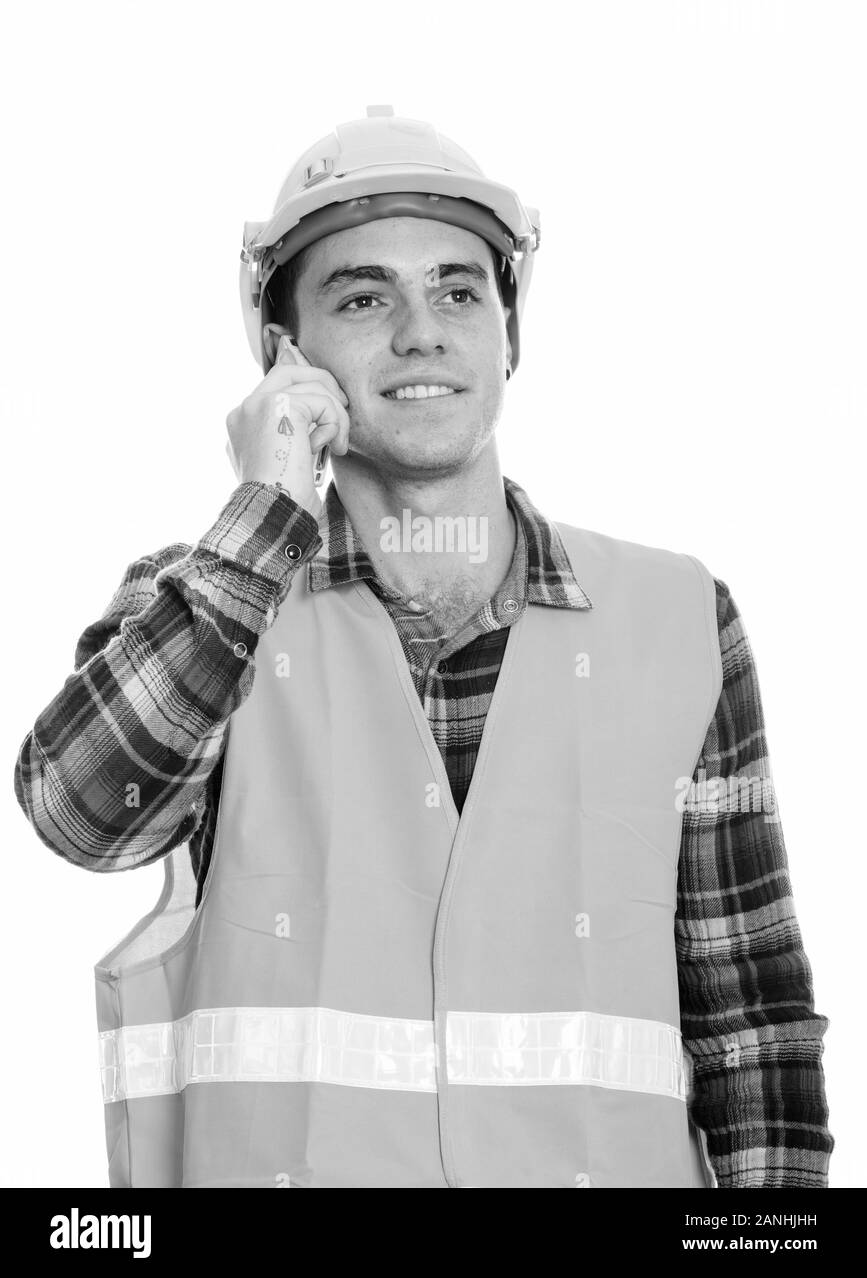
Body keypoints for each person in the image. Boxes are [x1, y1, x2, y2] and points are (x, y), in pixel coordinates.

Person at [14, 105, 833, 1189]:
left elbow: (755, 1037)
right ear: (284, 354)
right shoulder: (208, 604)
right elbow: (80, 812)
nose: (422, 331)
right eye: (364, 296)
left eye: (459, 289)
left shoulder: (678, 620)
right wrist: (266, 507)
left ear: (510, 331)